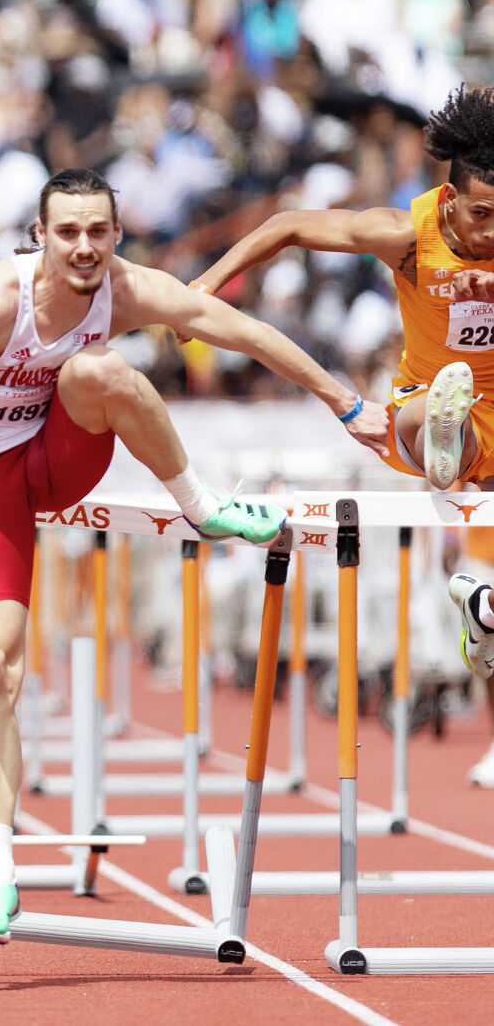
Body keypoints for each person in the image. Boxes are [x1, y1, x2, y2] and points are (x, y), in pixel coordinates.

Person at [0, 168, 385, 945]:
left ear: (115, 234)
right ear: (40, 237)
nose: (84, 247)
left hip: (57, 452)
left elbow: (238, 330)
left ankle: (203, 505)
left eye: (97, 231)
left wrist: (343, 400)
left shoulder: (125, 287)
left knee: (102, 369)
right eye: (68, 232)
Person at [195, 84, 494, 783]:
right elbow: (289, 224)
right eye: (481, 216)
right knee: (426, 414)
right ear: (451, 202)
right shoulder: (405, 234)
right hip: (427, 402)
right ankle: (445, 449)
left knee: (457, 439)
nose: (491, 233)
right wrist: (204, 284)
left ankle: (482, 603)